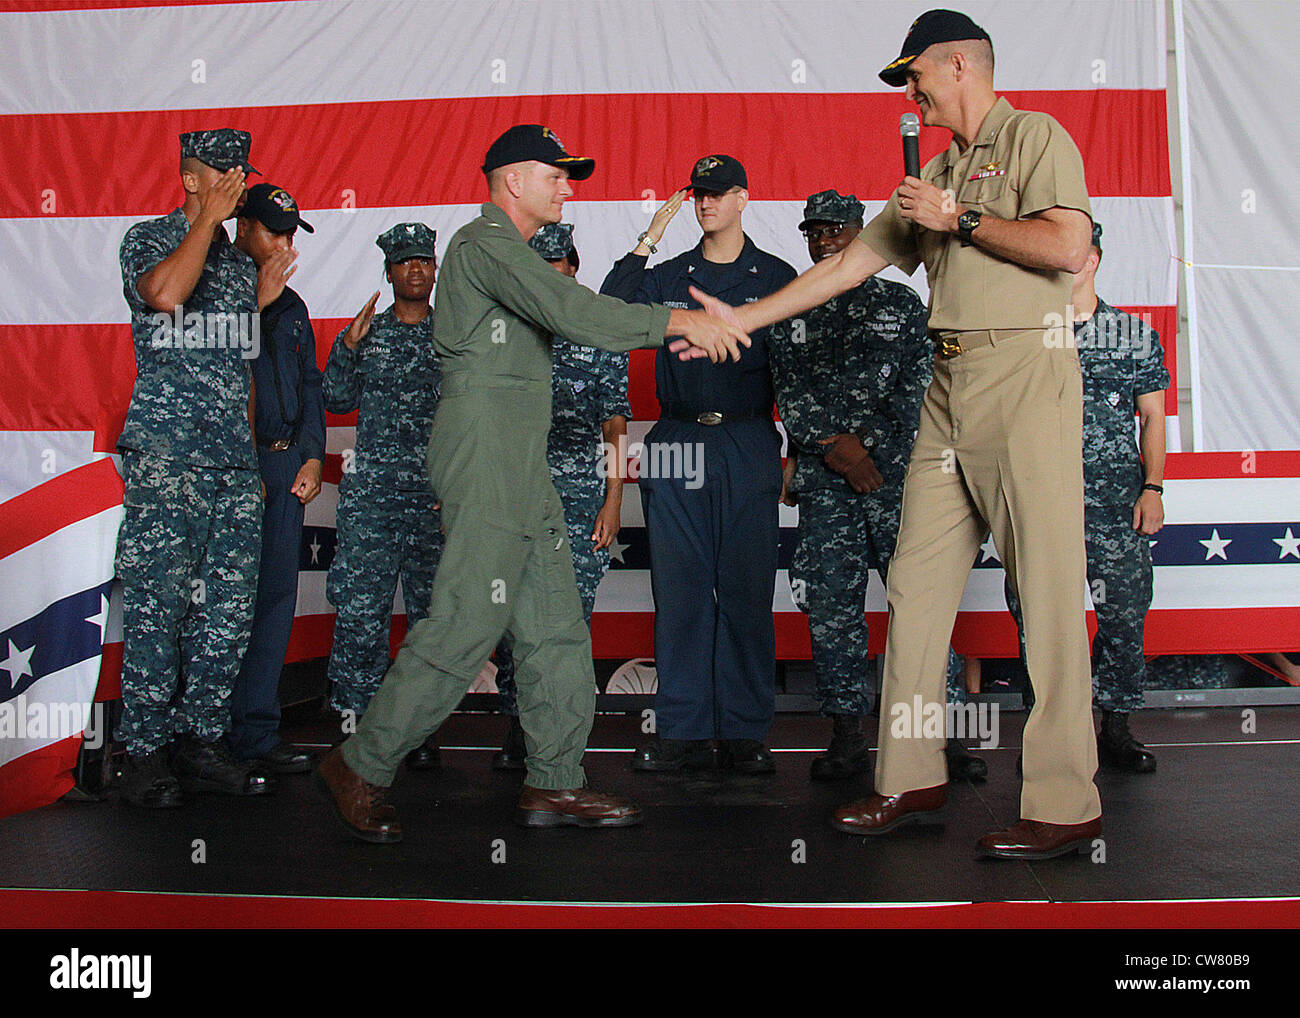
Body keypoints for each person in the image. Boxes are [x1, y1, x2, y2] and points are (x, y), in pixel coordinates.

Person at [686, 10, 1101, 858]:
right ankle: (910, 776)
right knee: (912, 587)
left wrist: (962, 220)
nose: (909, 92)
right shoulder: (939, 170)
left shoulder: (1035, 136)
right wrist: (742, 318)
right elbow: (844, 267)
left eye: (915, 76)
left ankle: (1066, 803)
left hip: (1024, 372)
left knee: (1048, 596)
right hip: (948, 385)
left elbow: (1067, 245)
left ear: (958, 65)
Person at [316, 124, 749, 842]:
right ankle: (360, 762)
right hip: (483, 449)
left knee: (554, 626)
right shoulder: (483, 246)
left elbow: (578, 310)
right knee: (466, 619)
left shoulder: (510, 252)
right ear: (513, 181)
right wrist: (679, 321)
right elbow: (573, 311)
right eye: (556, 176)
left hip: (524, 456)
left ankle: (554, 781)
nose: (567, 186)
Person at [769, 189, 983, 782]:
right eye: (814, 231)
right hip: (823, 480)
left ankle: (944, 734)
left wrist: (870, 448)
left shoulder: (902, 302)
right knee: (832, 610)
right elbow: (788, 390)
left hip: (896, 476)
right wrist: (837, 450)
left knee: (919, 605)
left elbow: (923, 381)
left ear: (860, 231)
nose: (824, 239)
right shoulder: (793, 307)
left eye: (836, 229)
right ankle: (846, 736)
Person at [600, 155, 797, 773]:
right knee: (682, 592)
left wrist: (792, 451)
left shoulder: (776, 273)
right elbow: (610, 308)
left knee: (744, 590)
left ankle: (743, 730)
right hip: (680, 437)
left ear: (743, 198)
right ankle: (682, 727)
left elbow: (796, 368)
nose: (706, 203)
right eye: (698, 194)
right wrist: (648, 237)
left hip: (747, 441)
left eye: (717, 193)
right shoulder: (669, 275)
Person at [115, 129, 294, 806]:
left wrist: (248, 454)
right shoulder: (151, 239)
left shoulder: (237, 265)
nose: (236, 179)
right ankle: (142, 751)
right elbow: (164, 295)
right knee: (160, 606)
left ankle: (202, 740)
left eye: (240, 171)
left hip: (230, 463)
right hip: (168, 460)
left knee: (227, 609)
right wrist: (208, 225)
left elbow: (239, 366)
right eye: (223, 171)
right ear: (191, 179)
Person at [1005, 221, 1169, 773]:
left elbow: (1152, 417)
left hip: (1114, 501)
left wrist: (1153, 487)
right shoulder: (1022, 330)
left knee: (1123, 611)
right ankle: (1044, 727)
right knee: (1038, 615)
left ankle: (1116, 725)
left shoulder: (1131, 334)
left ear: (1093, 258)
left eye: (1074, 255)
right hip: (1039, 497)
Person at [492, 222, 632, 770]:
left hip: (578, 499)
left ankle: (563, 736)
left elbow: (615, 422)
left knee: (570, 620)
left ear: (574, 271)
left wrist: (615, 495)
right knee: (513, 616)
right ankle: (519, 727)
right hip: (515, 493)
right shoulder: (503, 330)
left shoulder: (597, 330)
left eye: (559, 271)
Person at [322, 223, 444, 771]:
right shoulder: (365, 334)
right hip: (372, 499)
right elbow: (336, 399)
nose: (415, 269)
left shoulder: (457, 334)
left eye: (423, 260)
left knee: (430, 621)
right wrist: (348, 347)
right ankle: (356, 730)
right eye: (404, 262)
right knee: (360, 616)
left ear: (435, 269)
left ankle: (415, 731)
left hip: (435, 498)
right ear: (389, 271)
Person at [225, 182, 324, 775]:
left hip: (286, 464)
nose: (286, 243)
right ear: (244, 228)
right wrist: (252, 305)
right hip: (236, 463)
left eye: (291, 233)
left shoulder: (294, 305)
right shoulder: (210, 291)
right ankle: (205, 737)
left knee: (274, 601)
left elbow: (310, 384)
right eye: (275, 231)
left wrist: (312, 454)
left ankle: (257, 733)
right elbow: (199, 378)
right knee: (222, 603)